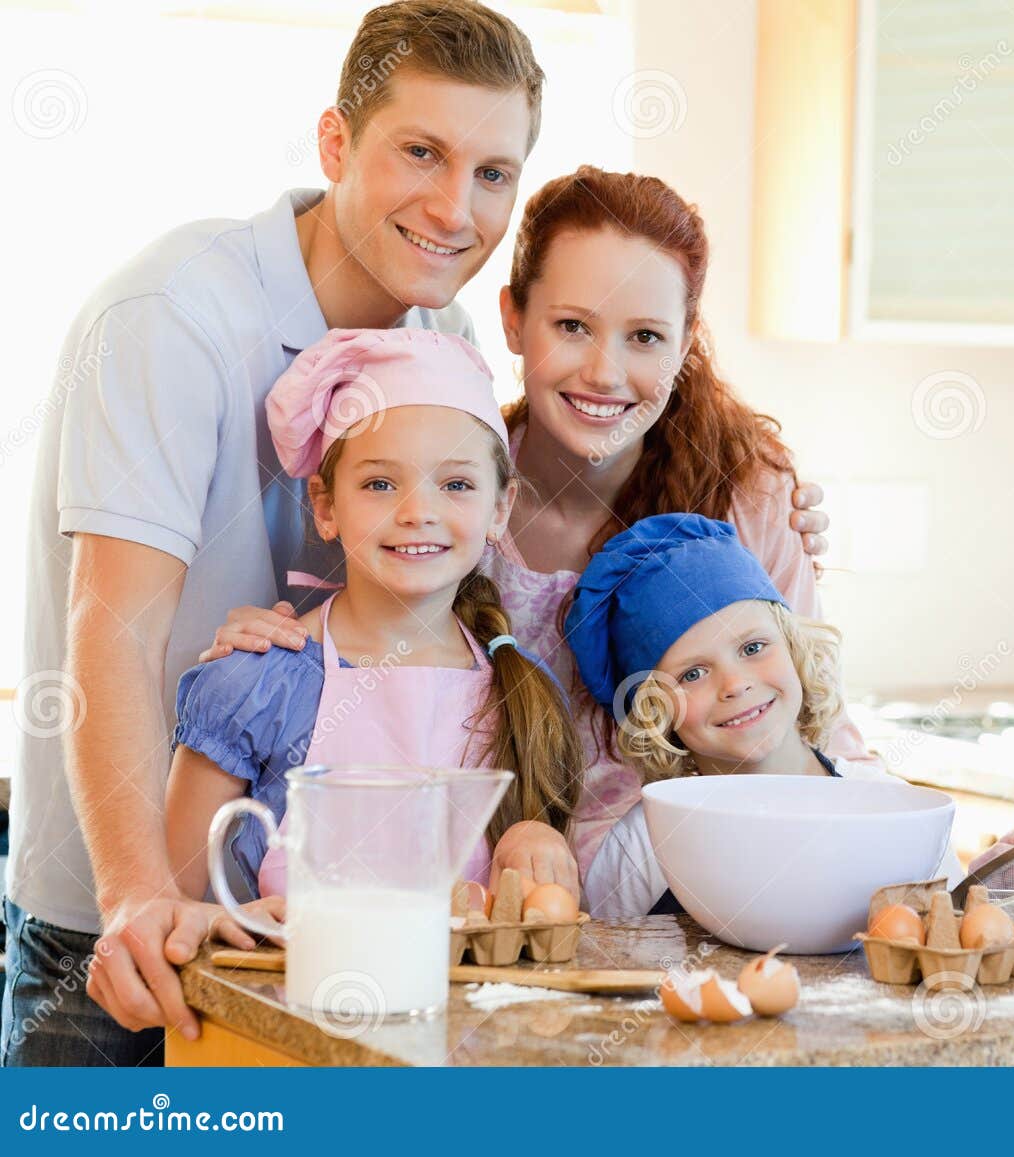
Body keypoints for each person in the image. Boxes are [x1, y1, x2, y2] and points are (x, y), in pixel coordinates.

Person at [5, 2, 827, 1063]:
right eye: (421, 153)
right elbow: (109, 627)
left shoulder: (435, 328)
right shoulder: (175, 316)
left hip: (324, 942)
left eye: (492, 172)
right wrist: (134, 897)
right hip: (126, 919)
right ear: (336, 143)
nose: (455, 206)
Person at [203, 167, 853, 893]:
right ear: (513, 319)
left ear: (686, 341)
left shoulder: (747, 495)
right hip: (481, 903)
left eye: (645, 336)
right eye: (572, 326)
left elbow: (816, 726)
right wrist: (266, 642)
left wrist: (906, 860)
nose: (605, 372)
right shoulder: (450, 486)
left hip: (696, 890)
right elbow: (355, 632)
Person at [164, 328, 580, 908]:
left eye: (457, 483)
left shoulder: (522, 691)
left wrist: (537, 842)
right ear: (326, 506)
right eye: (380, 483)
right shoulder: (256, 682)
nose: (418, 513)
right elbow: (169, 905)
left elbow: (541, 917)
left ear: (499, 508)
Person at [565, 515, 961, 918]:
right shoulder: (643, 845)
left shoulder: (894, 811)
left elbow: (951, 936)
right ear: (656, 712)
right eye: (693, 674)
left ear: (794, 647)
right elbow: (608, 966)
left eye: (753, 648)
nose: (735, 684)